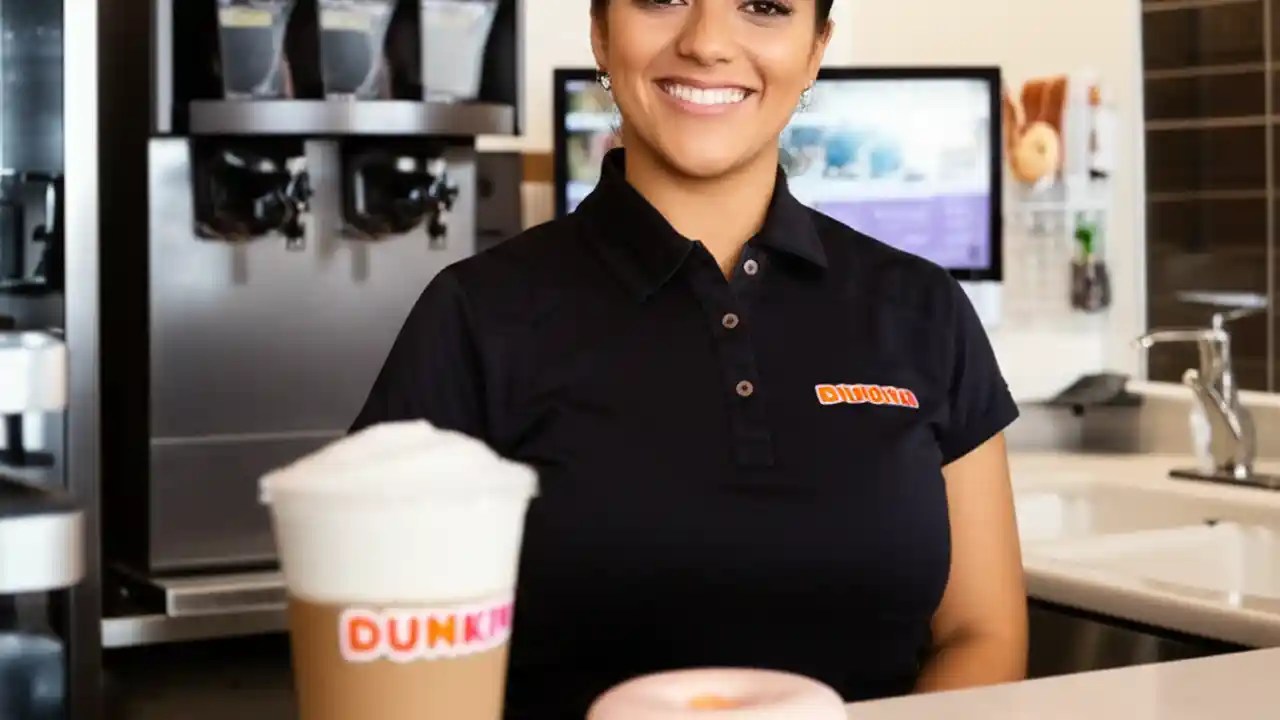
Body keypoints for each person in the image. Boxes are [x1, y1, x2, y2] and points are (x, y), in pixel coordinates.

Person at [352, 0, 1028, 717]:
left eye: (764, 7)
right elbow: (390, 670)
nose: (707, 43)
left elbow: (980, 633)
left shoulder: (924, 310)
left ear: (815, 50)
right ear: (601, 30)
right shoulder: (474, 318)